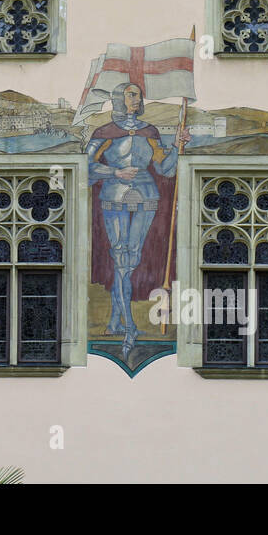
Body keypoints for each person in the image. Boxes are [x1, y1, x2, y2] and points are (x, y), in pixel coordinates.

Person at [87, 83, 189, 354]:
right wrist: (114, 174)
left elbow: (165, 169)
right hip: (114, 194)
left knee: (130, 260)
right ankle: (128, 325)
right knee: (122, 260)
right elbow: (84, 167)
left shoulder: (149, 131)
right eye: (131, 94)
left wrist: (177, 147)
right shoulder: (104, 132)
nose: (136, 98)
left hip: (146, 195)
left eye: (138, 94)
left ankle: (115, 323)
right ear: (118, 99)